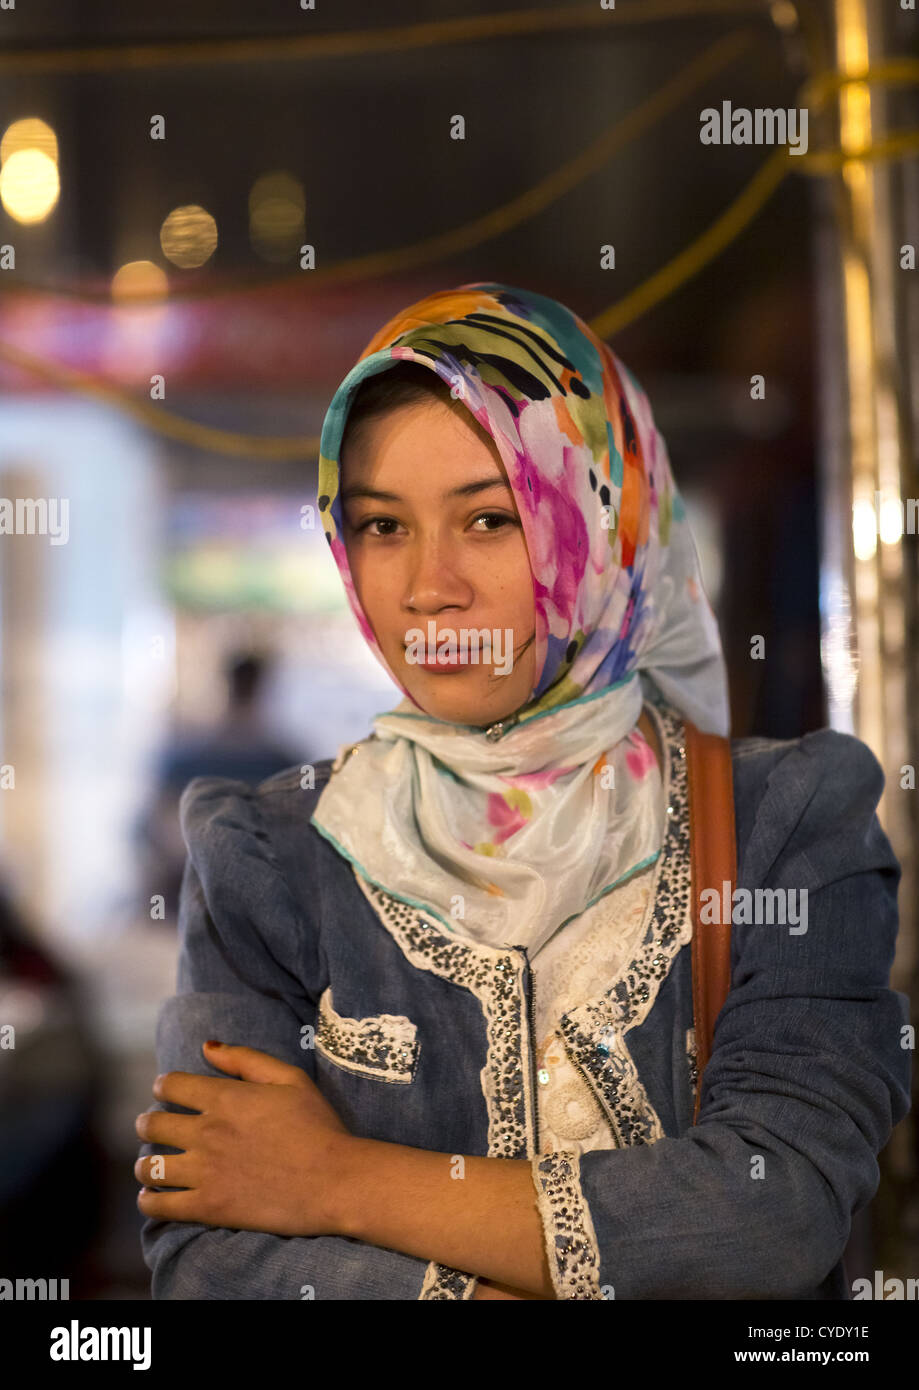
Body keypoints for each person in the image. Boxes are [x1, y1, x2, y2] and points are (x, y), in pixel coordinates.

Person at [136, 281, 911, 1300]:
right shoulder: (271, 855)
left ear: (602, 523)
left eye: (491, 519)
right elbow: (209, 1259)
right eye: (380, 527)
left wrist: (333, 1178)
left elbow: (773, 1210)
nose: (427, 586)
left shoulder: (786, 826)